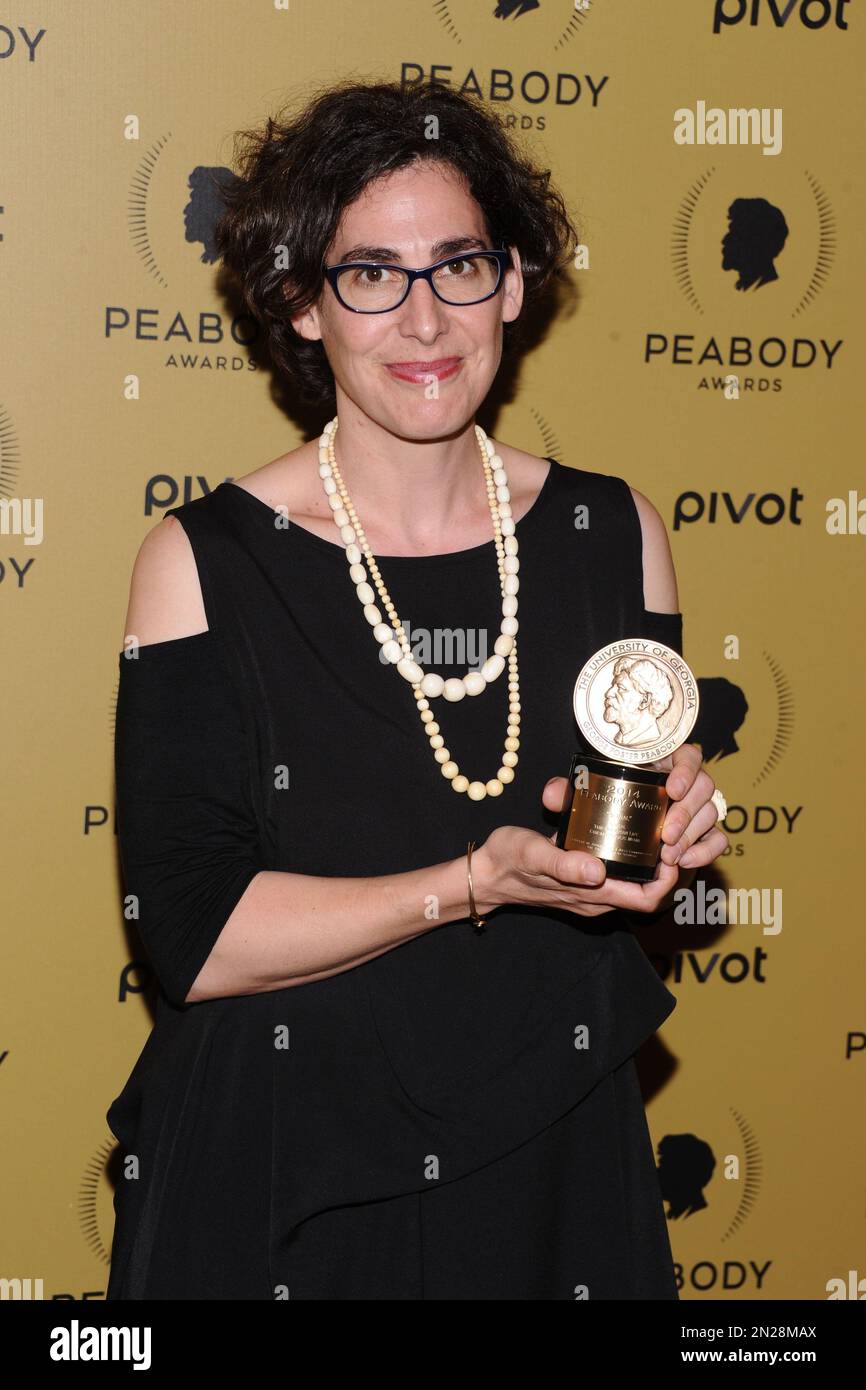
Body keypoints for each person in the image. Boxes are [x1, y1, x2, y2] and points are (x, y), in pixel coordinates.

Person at [105, 78, 727, 1301]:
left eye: (458, 265)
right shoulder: (203, 562)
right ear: (299, 306)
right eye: (370, 274)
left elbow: (620, 869)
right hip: (286, 1174)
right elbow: (193, 935)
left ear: (511, 281)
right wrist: (468, 883)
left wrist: (666, 844)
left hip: (550, 1153)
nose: (424, 318)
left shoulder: (613, 531)